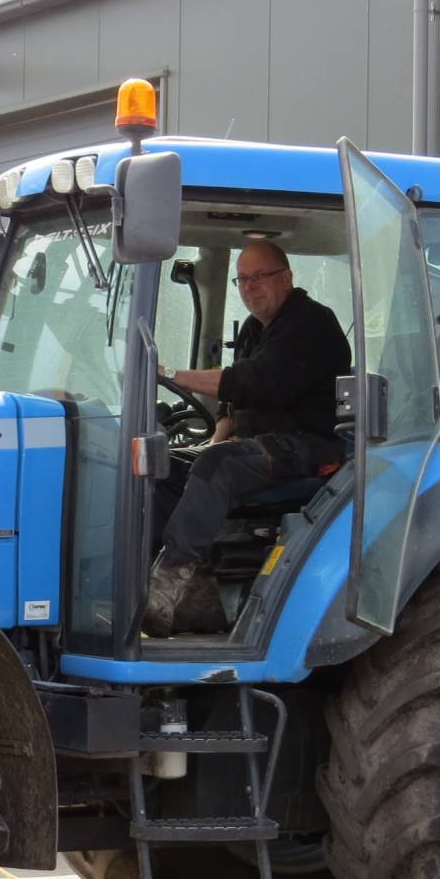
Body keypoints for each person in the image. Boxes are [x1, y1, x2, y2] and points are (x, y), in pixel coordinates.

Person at [145, 240, 353, 636]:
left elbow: (254, 383)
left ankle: (171, 577)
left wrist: (166, 373)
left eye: (260, 277)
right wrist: (211, 442)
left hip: (310, 445)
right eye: (242, 280)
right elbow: (233, 407)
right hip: (262, 445)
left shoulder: (310, 323)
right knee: (164, 465)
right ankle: (196, 601)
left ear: (287, 277)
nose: (250, 287)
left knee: (218, 465)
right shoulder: (256, 330)